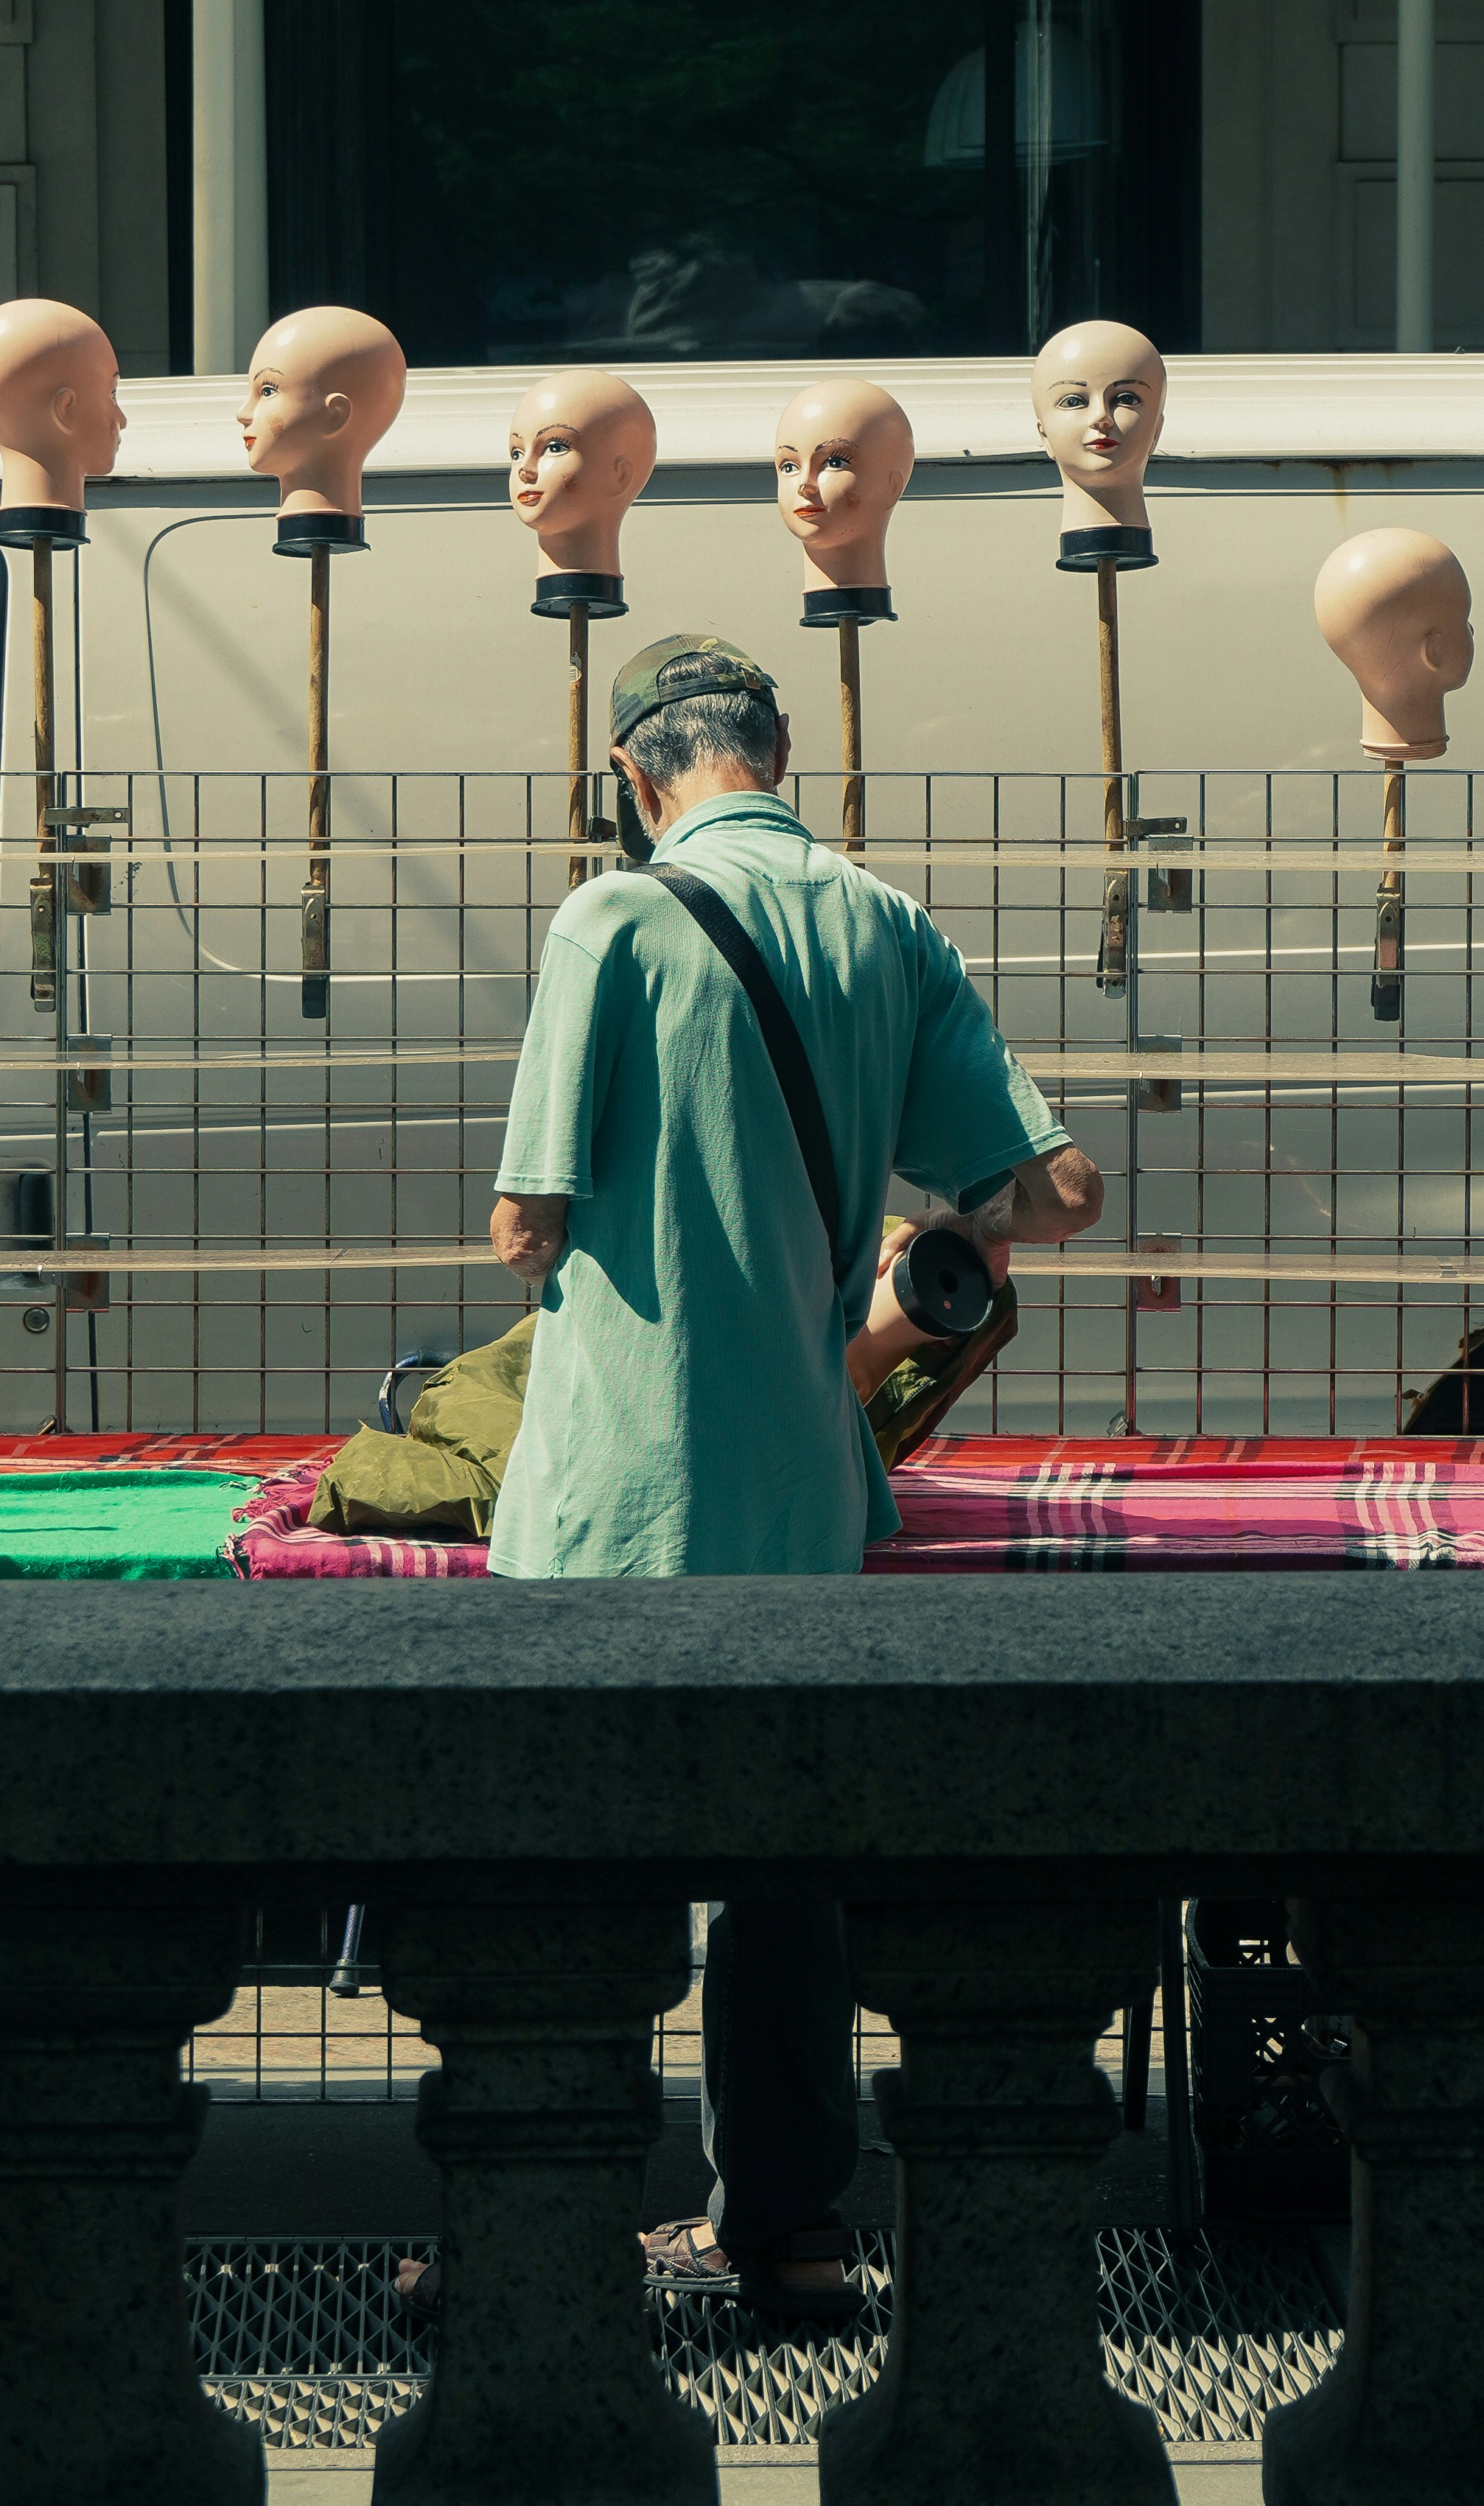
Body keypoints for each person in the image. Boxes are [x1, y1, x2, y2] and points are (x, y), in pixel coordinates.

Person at [412, 632, 1102, 2325]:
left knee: (578, 1865)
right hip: (801, 1484)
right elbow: (1057, 1191)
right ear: (781, 754)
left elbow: (523, 1226)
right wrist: (911, 1228)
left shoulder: (612, 917)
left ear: (634, 775)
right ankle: (787, 2236)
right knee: (781, 1866)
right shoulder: (887, 923)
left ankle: (542, 2231)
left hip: (614, 1480)